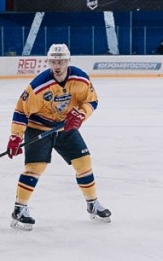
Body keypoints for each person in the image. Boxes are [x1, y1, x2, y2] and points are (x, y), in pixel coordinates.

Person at [6, 43, 110, 229]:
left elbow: (92, 101)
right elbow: (21, 112)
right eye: (53, 61)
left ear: (68, 61)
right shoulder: (38, 87)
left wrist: (81, 115)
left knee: (84, 162)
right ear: (48, 62)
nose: (57, 65)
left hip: (65, 127)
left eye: (61, 61)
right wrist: (15, 137)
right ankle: (19, 209)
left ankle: (92, 204)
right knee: (34, 168)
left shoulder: (81, 80)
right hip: (39, 128)